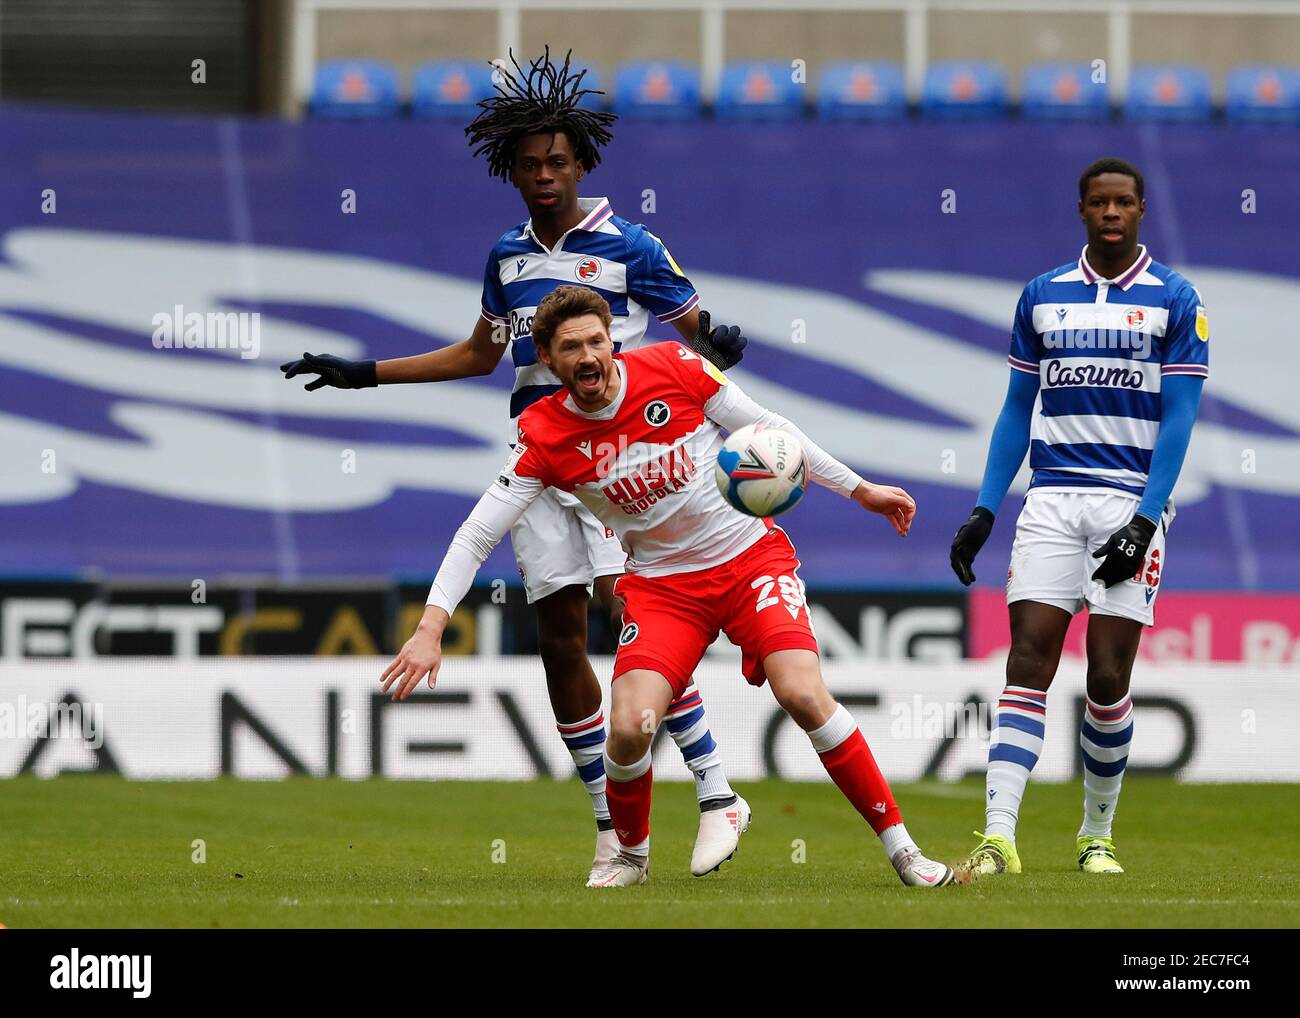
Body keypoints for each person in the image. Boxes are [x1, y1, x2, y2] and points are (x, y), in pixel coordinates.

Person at [281, 50, 749, 882]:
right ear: (514, 171)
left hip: (617, 463)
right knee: (559, 641)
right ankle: (613, 830)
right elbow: (478, 353)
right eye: (530, 164)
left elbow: (694, 326)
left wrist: (721, 341)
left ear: (581, 164)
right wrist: (369, 372)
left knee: (630, 617)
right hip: (540, 459)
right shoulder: (507, 256)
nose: (544, 174)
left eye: (557, 161)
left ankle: (717, 792)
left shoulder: (631, 244)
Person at [382, 285, 957, 890]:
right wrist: (429, 628)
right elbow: (477, 534)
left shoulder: (674, 367)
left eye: (596, 341)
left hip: (749, 562)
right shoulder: (543, 434)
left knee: (804, 695)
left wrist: (859, 489)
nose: (588, 356)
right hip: (663, 590)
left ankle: (905, 851)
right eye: (570, 347)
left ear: (613, 342)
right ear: (548, 361)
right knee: (630, 727)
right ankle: (631, 856)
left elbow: (769, 429)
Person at [949, 157, 1208, 876]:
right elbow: (1014, 409)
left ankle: (1096, 834)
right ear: (1083, 210)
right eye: (1100, 202)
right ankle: (998, 837)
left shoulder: (1176, 298)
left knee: (1106, 676)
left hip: (1129, 497)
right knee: (1028, 656)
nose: (1112, 212)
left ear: (1142, 209)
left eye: (1124, 202)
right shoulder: (1043, 296)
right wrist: (984, 508)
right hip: (1053, 498)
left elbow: (1181, 418)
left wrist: (1146, 519)